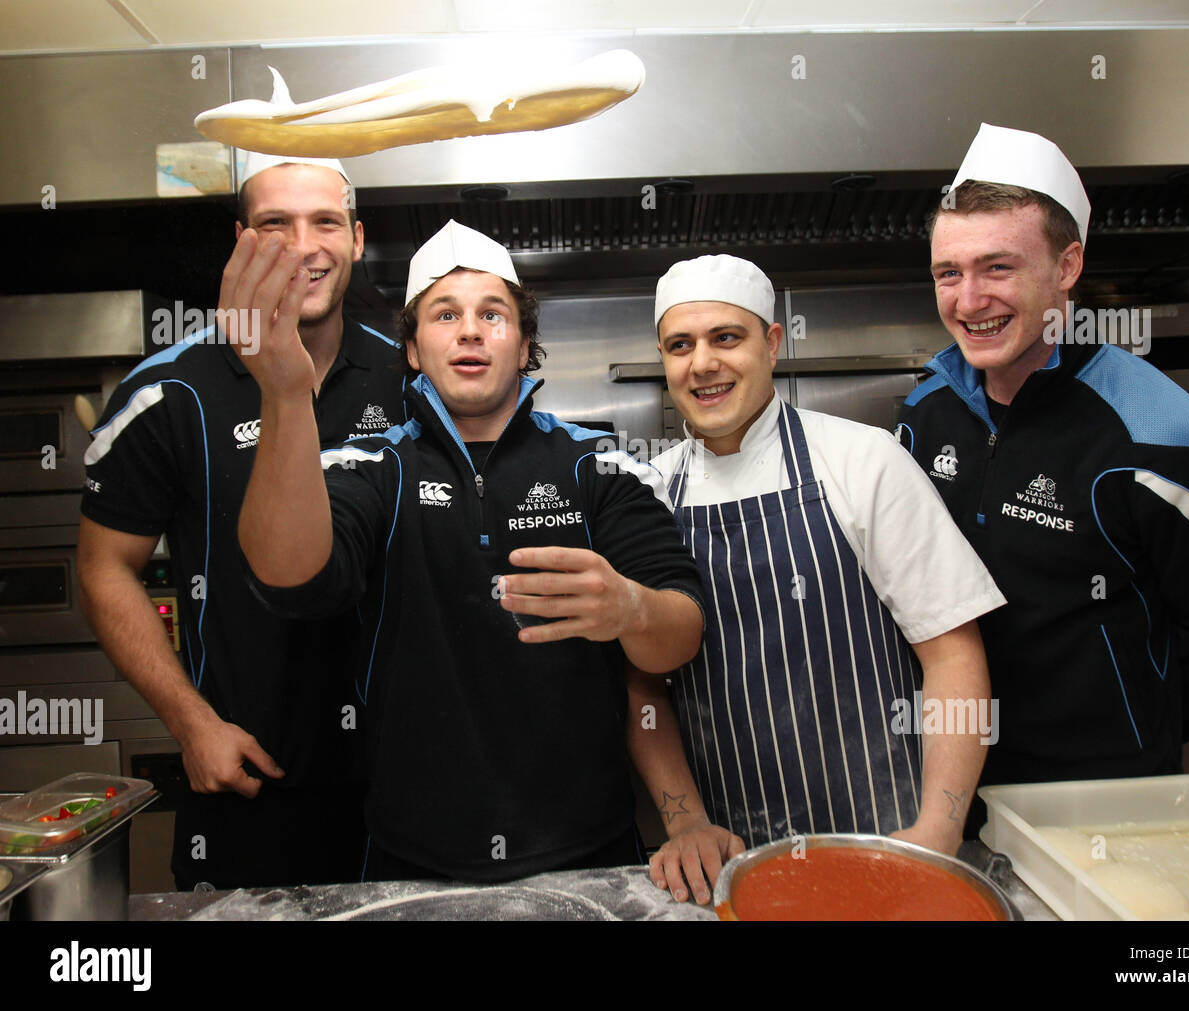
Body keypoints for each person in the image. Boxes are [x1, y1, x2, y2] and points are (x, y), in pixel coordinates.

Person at [235, 219, 706, 882]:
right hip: (411, 859)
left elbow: (680, 634)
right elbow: (289, 578)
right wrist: (285, 392)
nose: (470, 330)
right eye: (445, 314)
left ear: (526, 344)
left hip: (591, 853)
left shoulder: (600, 467)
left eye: (494, 314)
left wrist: (629, 608)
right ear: (412, 348)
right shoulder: (367, 468)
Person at [895, 123, 1189, 804]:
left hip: (1104, 800)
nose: (968, 299)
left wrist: (1133, 734)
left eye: (998, 267)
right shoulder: (925, 412)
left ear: (1066, 268)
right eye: (948, 273)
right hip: (948, 787)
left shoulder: (1166, 432)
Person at [631, 253, 1007, 904]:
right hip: (731, 870)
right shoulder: (650, 496)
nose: (702, 364)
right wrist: (685, 820)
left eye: (727, 337)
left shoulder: (865, 461)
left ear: (773, 343)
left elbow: (953, 653)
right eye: (679, 345)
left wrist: (937, 834)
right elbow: (643, 688)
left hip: (885, 846)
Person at [78, 151, 406, 890]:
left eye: (325, 220)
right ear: (241, 241)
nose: (303, 245)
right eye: (274, 225)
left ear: (357, 238)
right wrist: (191, 722)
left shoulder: (414, 381)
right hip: (247, 782)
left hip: (406, 781)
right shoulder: (167, 395)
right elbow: (105, 567)